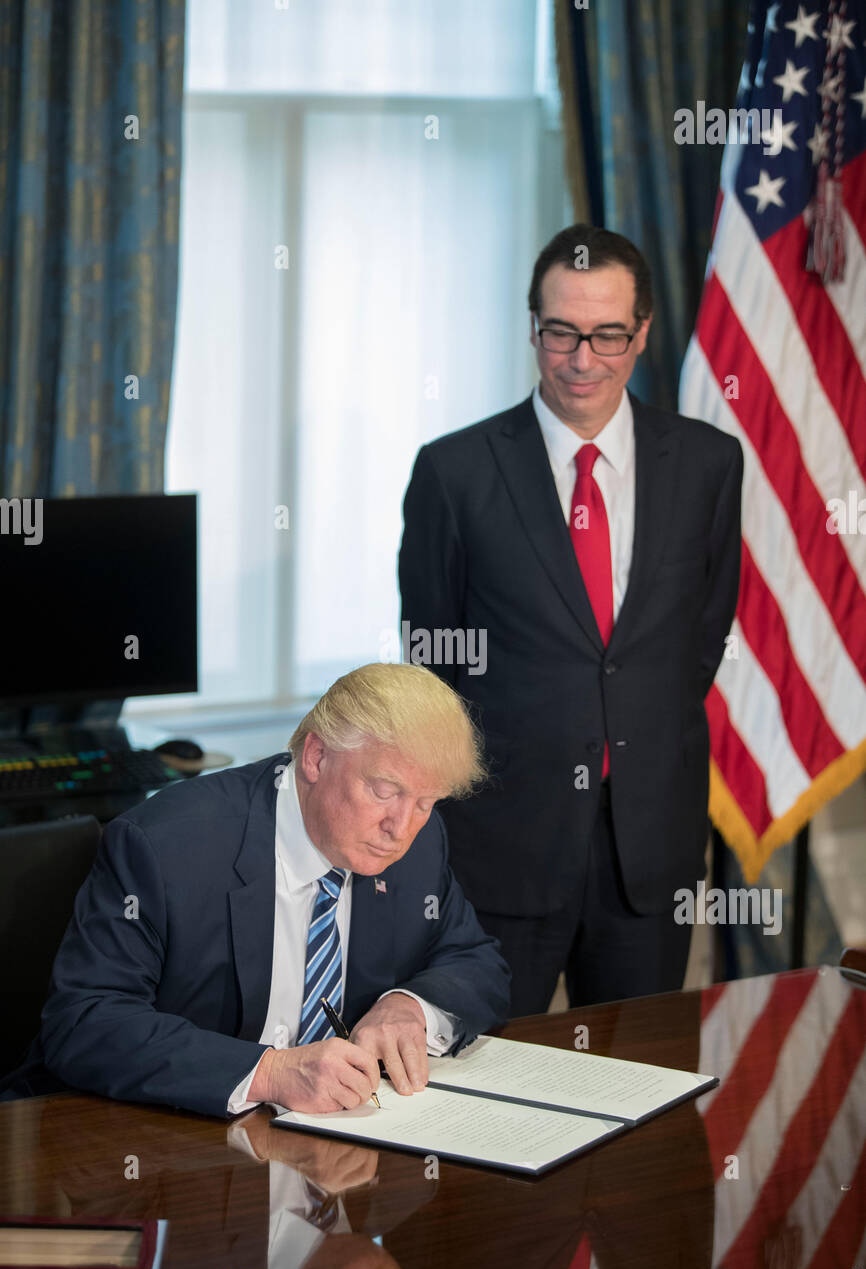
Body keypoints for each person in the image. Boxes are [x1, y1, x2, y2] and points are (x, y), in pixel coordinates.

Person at [399, 223, 743, 1016]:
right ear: (533, 328)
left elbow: (700, 638)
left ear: (643, 333)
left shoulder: (707, 464)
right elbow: (433, 660)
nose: (583, 359)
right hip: (503, 845)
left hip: (649, 849)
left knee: (642, 1093)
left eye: (608, 334)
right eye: (561, 332)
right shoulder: (454, 471)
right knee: (482, 1094)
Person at [1, 663, 510, 1117]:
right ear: (315, 757)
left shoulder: (418, 844)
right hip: (144, 1137)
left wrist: (409, 1006)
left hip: (330, 1144)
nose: (400, 827)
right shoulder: (165, 847)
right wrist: (269, 1073)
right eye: (383, 791)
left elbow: (476, 960)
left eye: (426, 802)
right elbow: (85, 1022)